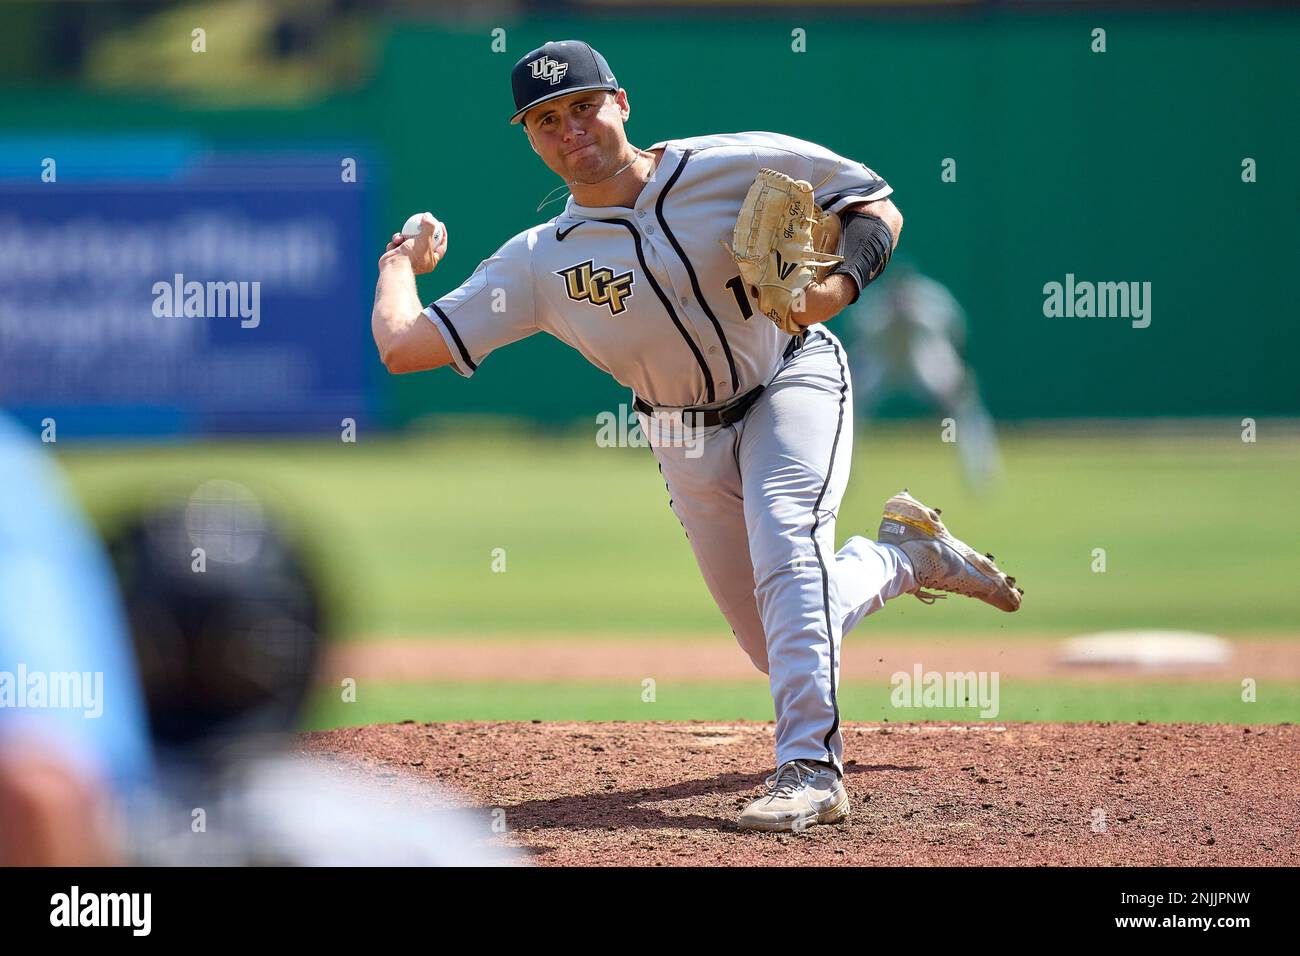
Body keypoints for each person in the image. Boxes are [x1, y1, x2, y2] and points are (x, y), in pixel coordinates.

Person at [370, 40, 1024, 833]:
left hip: (791, 377)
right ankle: (905, 554)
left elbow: (875, 203)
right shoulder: (540, 264)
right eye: (546, 120)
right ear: (530, 138)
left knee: (788, 542)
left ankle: (812, 770)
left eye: (582, 105)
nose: (569, 128)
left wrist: (836, 287)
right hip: (681, 436)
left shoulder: (734, 163)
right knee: (773, 636)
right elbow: (403, 347)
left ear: (622, 102)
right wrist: (399, 262)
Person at [844, 260, 1003, 491]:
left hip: (923, 359)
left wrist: (953, 368)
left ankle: (981, 471)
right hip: (883, 362)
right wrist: (891, 320)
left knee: (962, 402)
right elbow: (860, 338)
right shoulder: (875, 302)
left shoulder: (930, 298)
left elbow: (955, 330)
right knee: (846, 406)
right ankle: (841, 474)